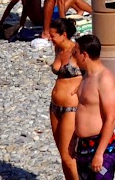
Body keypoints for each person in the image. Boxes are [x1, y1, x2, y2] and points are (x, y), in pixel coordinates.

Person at [71, 34, 115, 180]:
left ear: (84, 55)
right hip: (83, 146)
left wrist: (99, 153)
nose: (73, 56)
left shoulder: (104, 78)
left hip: (100, 145)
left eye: (75, 53)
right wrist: (74, 139)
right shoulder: (86, 77)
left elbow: (111, 118)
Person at [45, 18, 82, 180]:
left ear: (64, 35)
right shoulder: (58, 49)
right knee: (63, 154)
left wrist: (81, 88)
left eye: (53, 35)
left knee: (68, 155)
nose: (50, 38)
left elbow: (95, 72)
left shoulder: (78, 51)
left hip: (71, 108)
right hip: (55, 106)